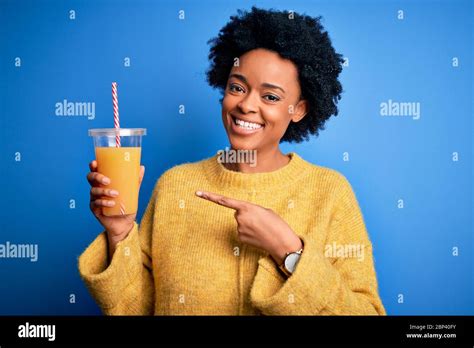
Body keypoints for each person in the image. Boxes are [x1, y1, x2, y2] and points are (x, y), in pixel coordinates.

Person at [79, 6, 386, 315]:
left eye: (270, 97)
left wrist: (288, 251)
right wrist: (119, 233)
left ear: (300, 109)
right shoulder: (175, 186)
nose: (247, 105)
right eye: (237, 87)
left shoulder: (330, 193)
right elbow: (139, 309)